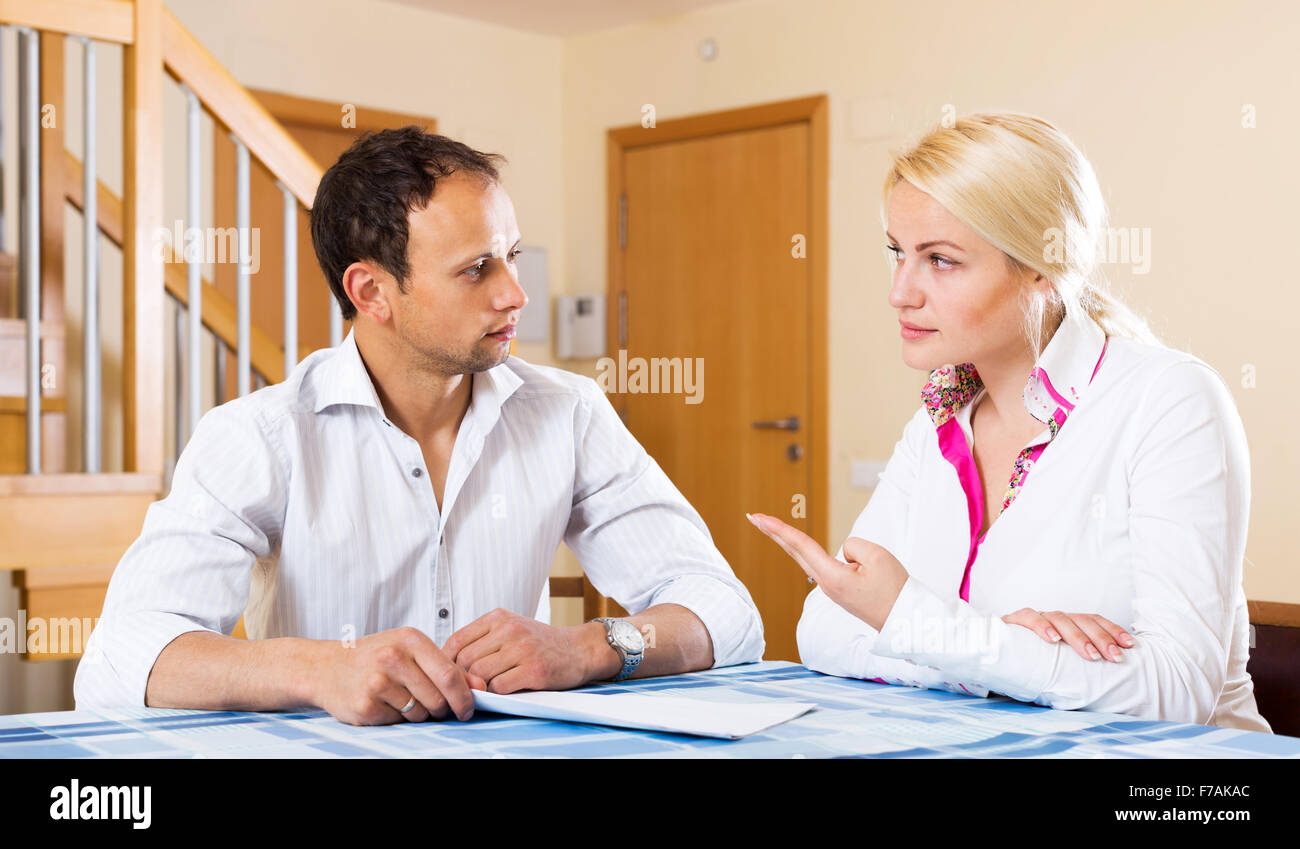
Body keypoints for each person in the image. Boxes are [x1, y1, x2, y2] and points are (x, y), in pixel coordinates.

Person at [75, 127, 764, 725]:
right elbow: (116, 659)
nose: (515, 294)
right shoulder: (260, 436)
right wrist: (320, 667)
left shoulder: (569, 411)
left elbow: (727, 613)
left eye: (513, 256)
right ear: (372, 292)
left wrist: (593, 646)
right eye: (477, 269)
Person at [748, 112, 1270, 732]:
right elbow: (826, 628)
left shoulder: (1171, 401)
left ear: (1042, 267)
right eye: (897, 252)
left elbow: (1174, 694)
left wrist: (924, 629)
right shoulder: (936, 422)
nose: (900, 292)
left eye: (941, 260)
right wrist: (990, 648)